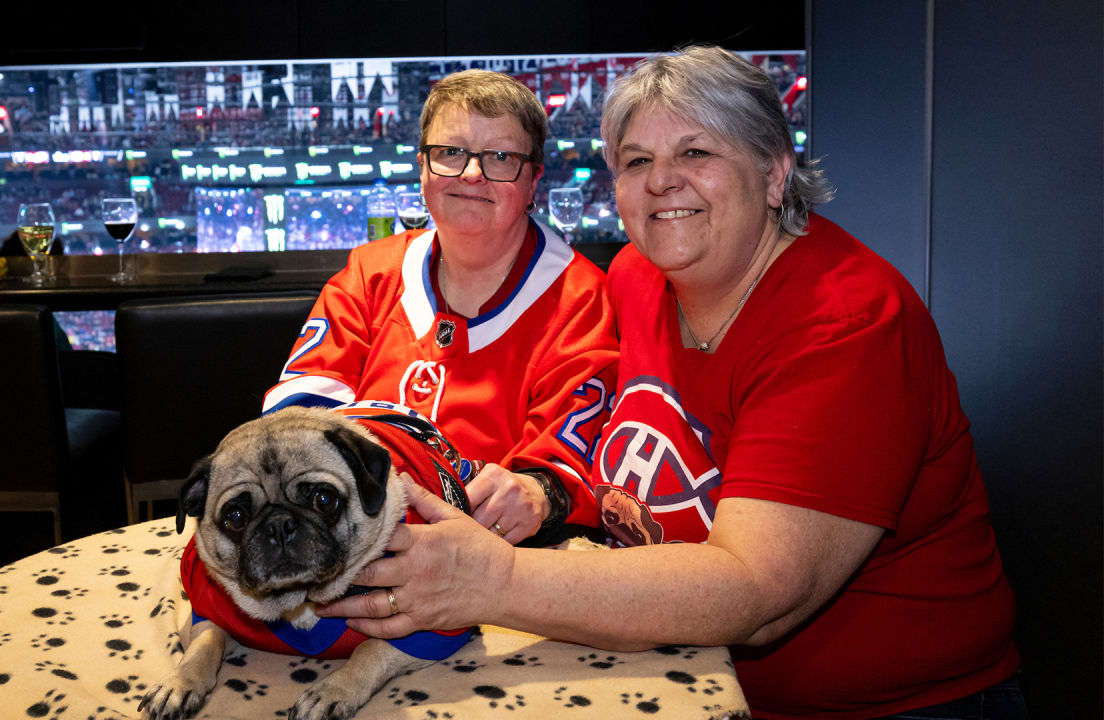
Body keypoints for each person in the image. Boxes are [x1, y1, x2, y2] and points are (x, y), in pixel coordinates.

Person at [316, 47, 1024, 719]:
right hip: (684, 672)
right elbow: (603, 448)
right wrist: (546, 491)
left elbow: (757, 591)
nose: (661, 181)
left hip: (892, 706)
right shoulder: (636, 279)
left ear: (775, 172)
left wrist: (492, 579)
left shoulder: (845, 326)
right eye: (636, 160)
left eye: (696, 152)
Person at [263, 69, 617, 547]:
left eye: (500, 156)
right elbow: (296, 423)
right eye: (451, 153)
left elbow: (561, 469)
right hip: (354, 539)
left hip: (496, 558)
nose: (471, 173)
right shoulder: (371, 273)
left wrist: (538, 492)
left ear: (534, 178)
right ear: (424, 168)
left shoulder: (579, 299)